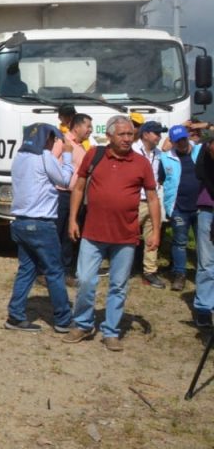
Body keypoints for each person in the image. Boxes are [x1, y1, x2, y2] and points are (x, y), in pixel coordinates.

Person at [65, 115, 160, 351]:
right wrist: (72, 219)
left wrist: (156, 231)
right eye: (122, 134)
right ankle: (83, 323)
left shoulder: (141, 163)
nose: (128, 138)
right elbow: (78, 188)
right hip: (93, 233)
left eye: (131, 134)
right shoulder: (94, 155)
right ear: (109, 136)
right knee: (85, 280)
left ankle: (111, 331)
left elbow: (152, 198)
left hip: (126, 236)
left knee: (118, 285)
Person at [4, 124, 73, 332]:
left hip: (20, 222)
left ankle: (15, 316)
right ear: (46, 140)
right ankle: (63, 319)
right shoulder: (44, 156)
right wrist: (68, 157)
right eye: (52, 139)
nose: (54, 144)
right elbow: (65, 180)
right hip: (41, 224)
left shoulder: (19, 157)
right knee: (54, 271)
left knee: (27, 269)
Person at [162, 124, 202, 293]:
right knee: (179, 242)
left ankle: (205, 274)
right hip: (179, 207)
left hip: (202, 208)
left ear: (189, 136)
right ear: (172, 142)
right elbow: (160, 181)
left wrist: (203, 125)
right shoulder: (165, 158)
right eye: (178, 141)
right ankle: (179, 274)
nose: (182, 143)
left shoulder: (201, 151)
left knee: (205, 243)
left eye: (184, 139)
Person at [58, 113, 93, 281]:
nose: (90, 130)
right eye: (88, 126)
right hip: (60, 195)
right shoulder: (63, 141)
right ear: (77, 127)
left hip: (75, 196)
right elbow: (50, 163)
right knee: (59, 232)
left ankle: (66, 269)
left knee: (70, 234)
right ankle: (52, 270)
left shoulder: (81, 147)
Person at [132, 121, 167, 289]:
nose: (159, 136)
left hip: (152, 199)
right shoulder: (132, 150)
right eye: (156, 133)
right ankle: (120, 266)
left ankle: (150, 271)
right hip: (134, 199)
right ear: (145, 134)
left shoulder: (159, 153)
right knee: (125, 233)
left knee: (153, 234)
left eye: (160, 133)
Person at [192, 133, 214, 328]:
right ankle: (204, 308)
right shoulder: (206, 149)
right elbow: (200, 173)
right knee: (207, 263)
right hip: (208, 209)